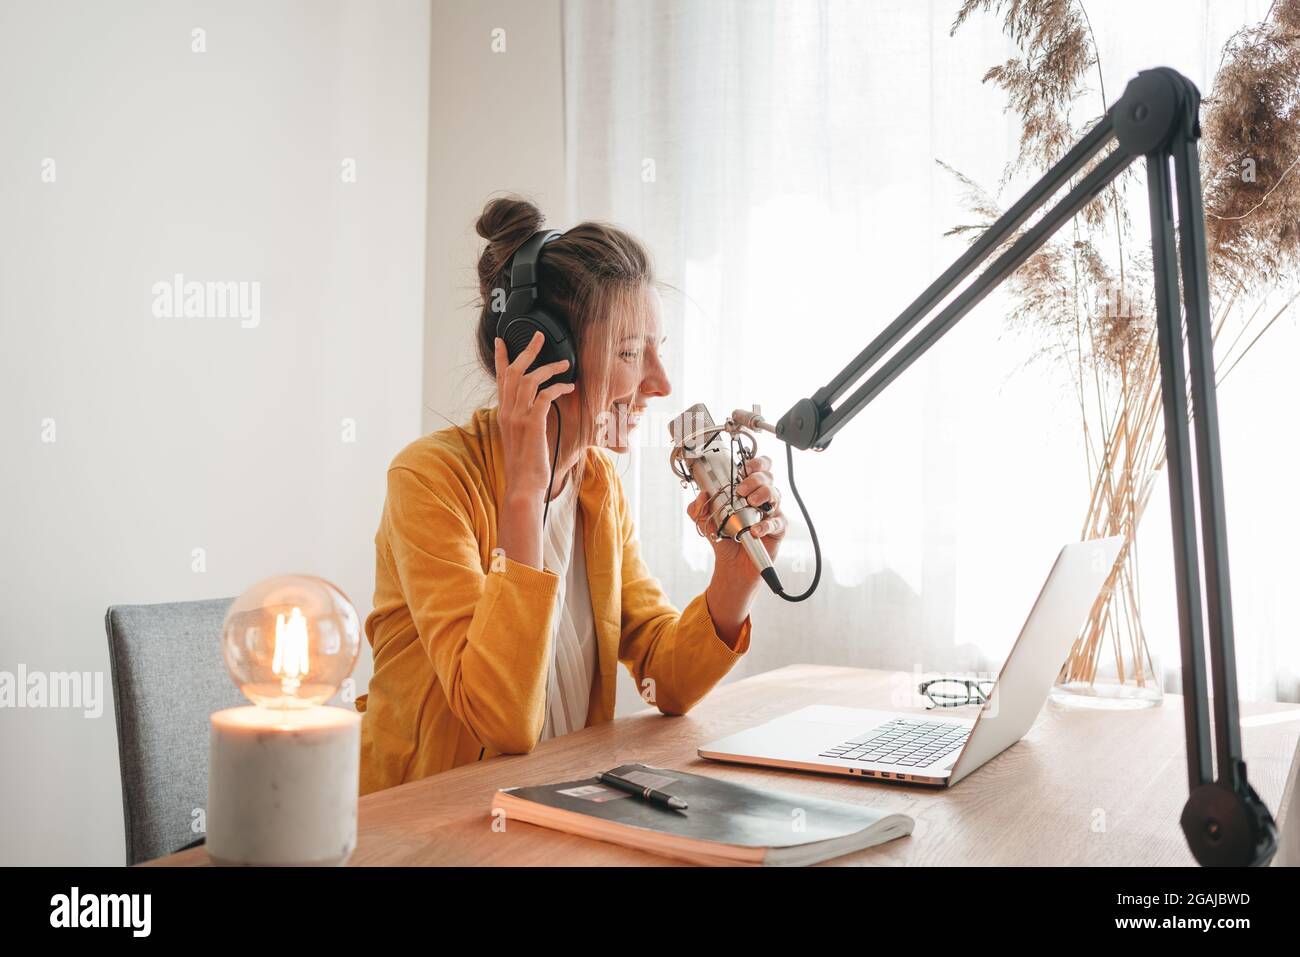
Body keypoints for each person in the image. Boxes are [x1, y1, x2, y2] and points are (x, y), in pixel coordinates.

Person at [354, 196, 787, 795]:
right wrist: (525, 496)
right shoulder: (430, 480)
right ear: (545, 353)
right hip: (429, 827)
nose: (659, 384)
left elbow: (667, 679)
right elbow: (501, 718)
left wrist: (733, 578)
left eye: (658, 351)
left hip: (555, 810)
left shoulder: (596, 484)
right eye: (630, 353)